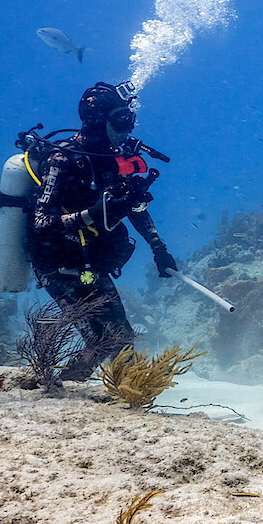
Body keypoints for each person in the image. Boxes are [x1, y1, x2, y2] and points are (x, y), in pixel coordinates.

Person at [26, 81, 177, 380]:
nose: (128, 128)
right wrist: (92, 215)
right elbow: (42, 222)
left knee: (120, 338)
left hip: (91, 260)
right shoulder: (62, 158)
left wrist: (160, 249)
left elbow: (133, 208)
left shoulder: (113, 160)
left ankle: (129, 401)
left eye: (129, 119)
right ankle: (54, 391)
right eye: (122, 120)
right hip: (56, 263)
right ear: (98, 120)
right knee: (99, 340)